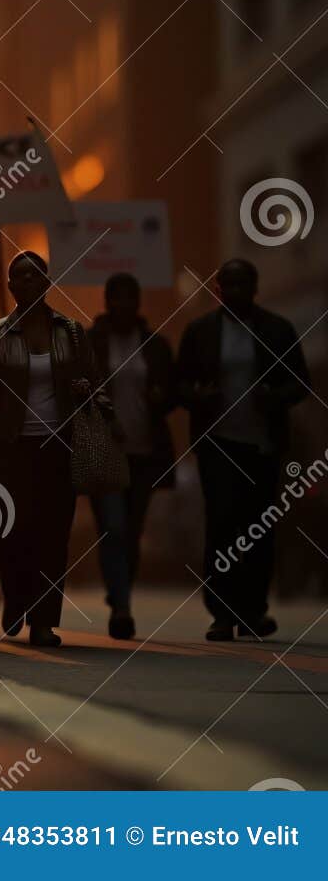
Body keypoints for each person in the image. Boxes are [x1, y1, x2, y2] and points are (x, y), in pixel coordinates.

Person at [176, 258, 308, 641]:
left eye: (241, 285)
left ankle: (254, 610)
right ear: (217, 290)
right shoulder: (200, 332)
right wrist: (199, 396)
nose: (233, 292)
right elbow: (178, 385)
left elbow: (300, 382)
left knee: (258, 527)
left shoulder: (277, 330)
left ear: (254, 288)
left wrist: (274, 398)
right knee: (221, 525)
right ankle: (222, 612)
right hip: (217, 443)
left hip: (262, 445)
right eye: (226, 285)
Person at [0, 251, 101, 648]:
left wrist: (84, 390)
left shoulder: (72, 331)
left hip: (59, 446)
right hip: (13, 446)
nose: (26, 282)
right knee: (14, 531)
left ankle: (44, 620)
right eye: (18, 277)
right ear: (10, 285)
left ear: (47, 282)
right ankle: (16, 599)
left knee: (53, 535)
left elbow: (94, 383)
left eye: (34, 276)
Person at [87, 272, 177, 640]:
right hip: (105, 453)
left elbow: (174, 392)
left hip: (144, 453)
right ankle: (121, 606)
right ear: (107, 302)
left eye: (130, 298)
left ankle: (120, 590)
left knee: (132, 529)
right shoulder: (90, 343)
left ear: (138, 303)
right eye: (116, 298)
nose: (123, 305)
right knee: (113, 527)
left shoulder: (155, 346)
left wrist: (162, 398)